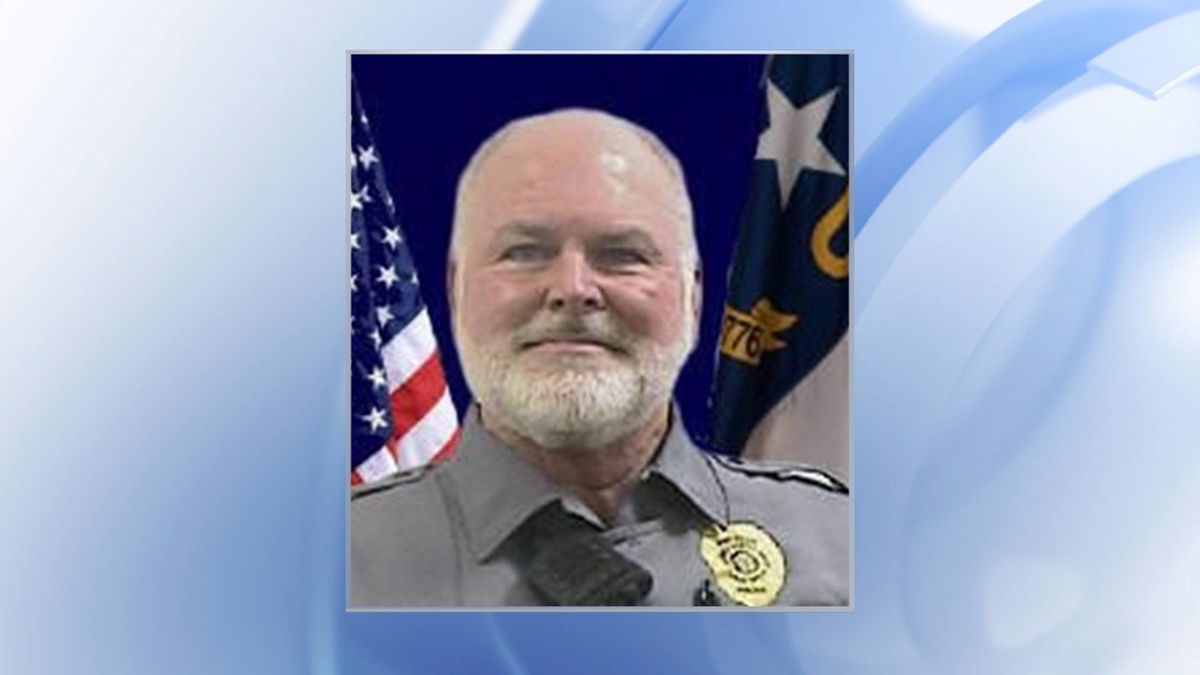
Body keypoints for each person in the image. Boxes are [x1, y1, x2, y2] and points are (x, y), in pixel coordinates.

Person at [350, 108, 848, 607]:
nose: (572, 289)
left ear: (693, 298)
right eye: (525, 252)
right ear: (456, 293)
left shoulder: (840, 544)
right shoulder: (335, 562)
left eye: (622, 255)